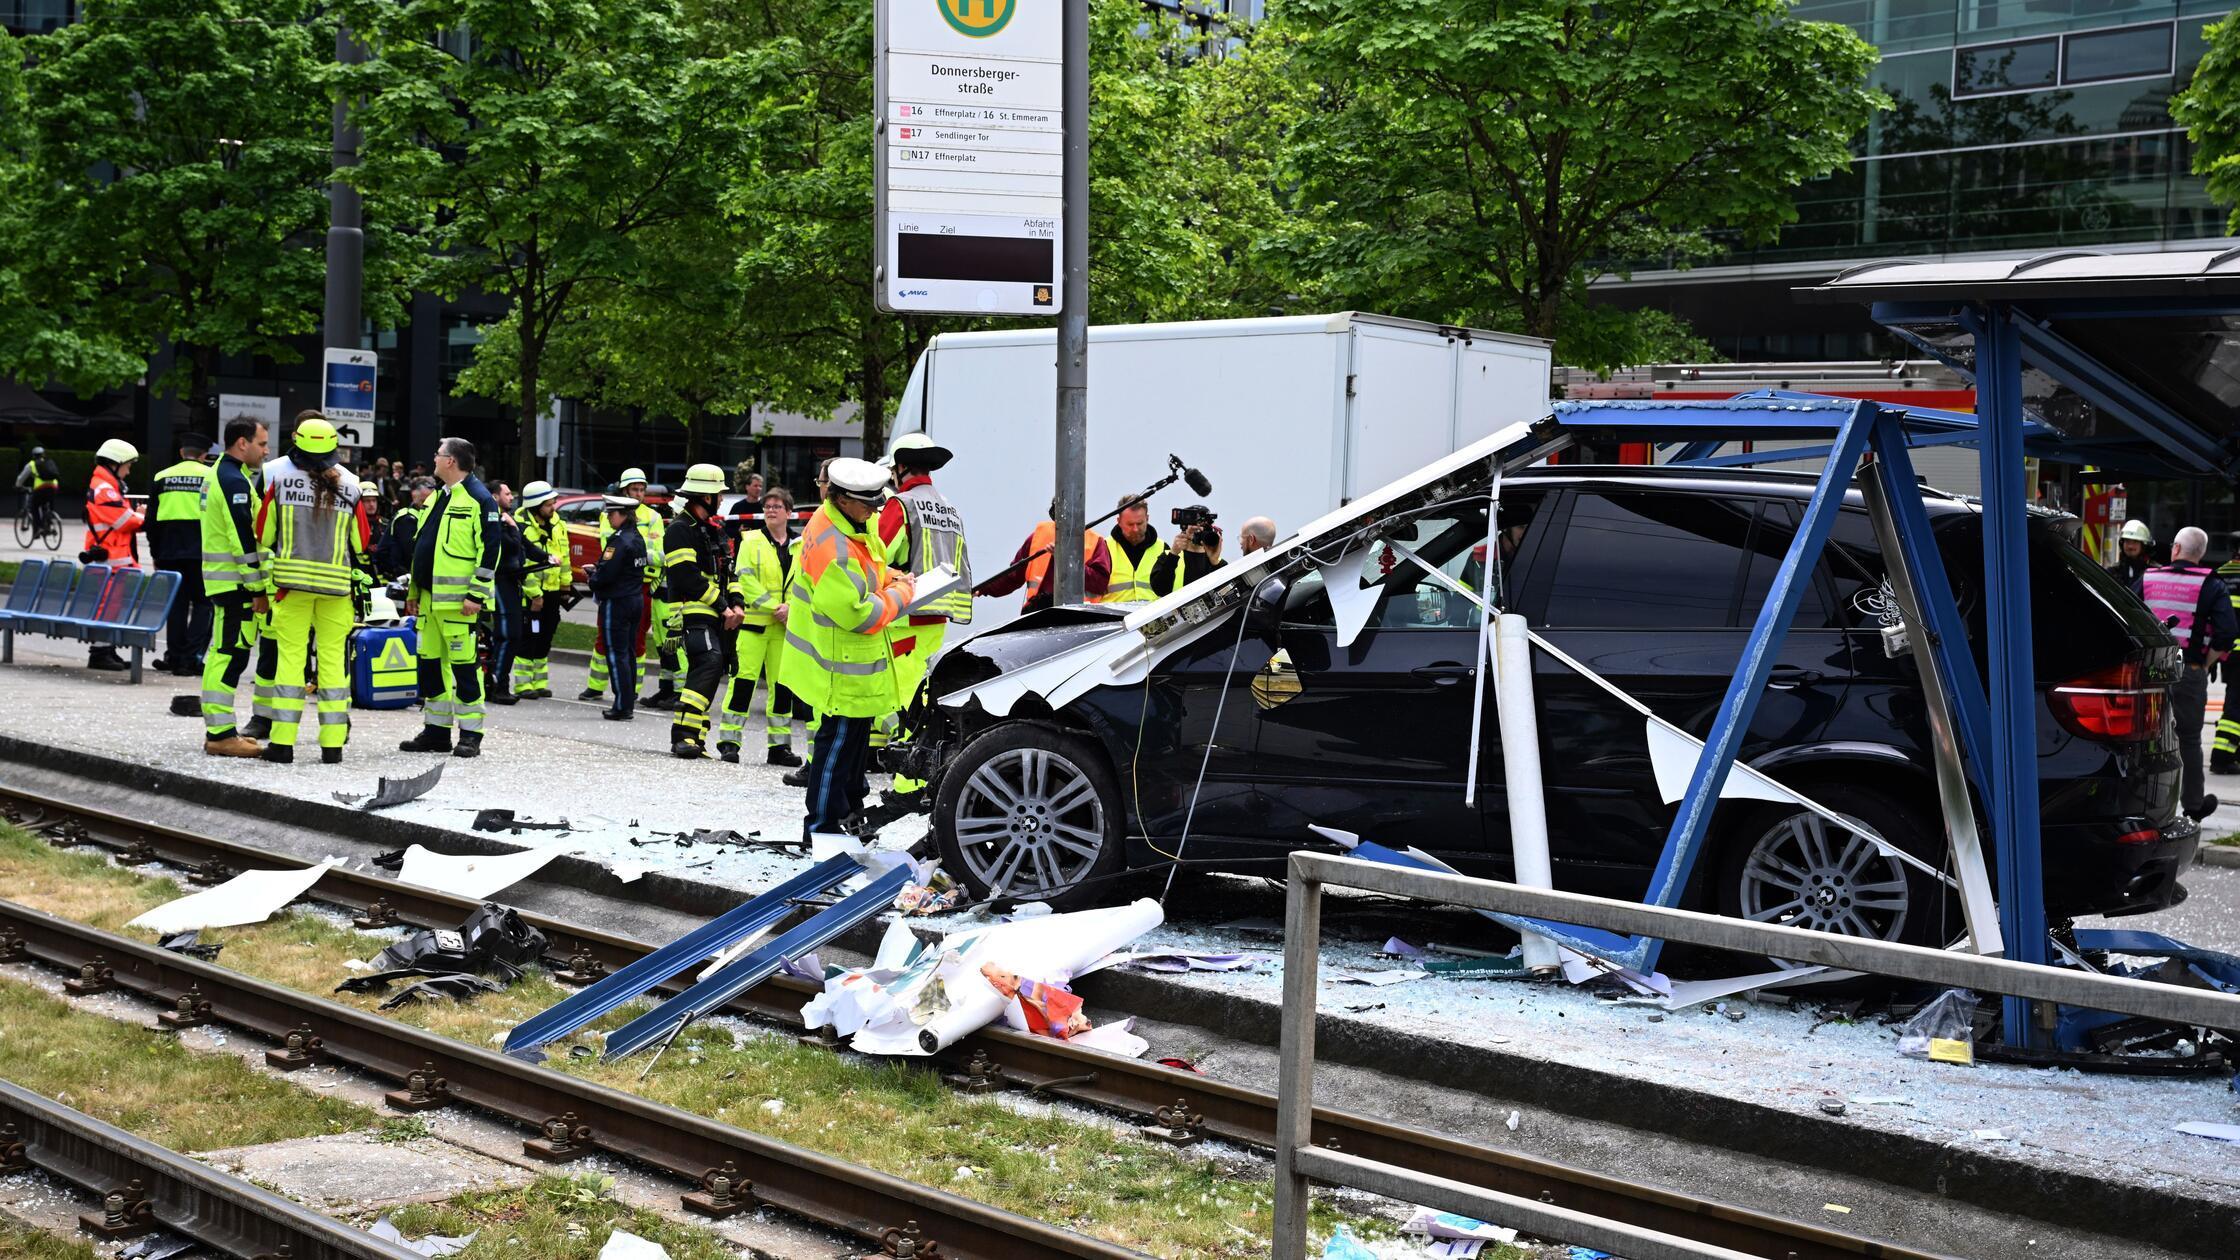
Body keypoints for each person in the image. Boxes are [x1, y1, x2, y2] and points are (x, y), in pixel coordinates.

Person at [782, 458, 917, 843]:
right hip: (838, 665)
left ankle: (846, 819)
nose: (876, 509)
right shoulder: (834, 546)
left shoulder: (852, 525)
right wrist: (903, 592)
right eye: (869, 503)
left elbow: (873, 569)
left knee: (851, 748)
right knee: (836, 748)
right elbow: (860, 613)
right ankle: (822, 830)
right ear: (842, 499)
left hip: (850, 664)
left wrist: (893, 577)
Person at [253, 417, 369, 764]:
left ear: (297, 445)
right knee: (334, 666)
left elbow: (263, 534)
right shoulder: (352, 487)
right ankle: (332, 747)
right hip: (336, 591)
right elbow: (361, 542)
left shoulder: (279, 482)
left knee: (290, 664)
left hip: (292, 588)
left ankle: (282, 746)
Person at [872, 433, 971, 805]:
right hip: (937, 617)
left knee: (899, 705)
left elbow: (877, 557)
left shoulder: (901, 505)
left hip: (903, 617)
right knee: (923, 700)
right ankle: (919, 782)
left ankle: (908, 787)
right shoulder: (948, 507)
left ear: (899, 467)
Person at [400, 438, 501, 758]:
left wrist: (476, 594)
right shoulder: (438, 497)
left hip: (460, 605)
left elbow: (491, 550)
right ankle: (436, 733)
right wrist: (414, 591)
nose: (433, 458)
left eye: (438, 454)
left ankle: (471, 734)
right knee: (431, 668)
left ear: (451, 462)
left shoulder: (479, 499)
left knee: (465, 670)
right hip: (430, 602)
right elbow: (423, 548)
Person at [2137, 526, 2237, 822]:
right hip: (2188, 672)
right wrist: (2206, 663)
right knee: (2189, 739)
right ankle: (2193, 806)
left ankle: (2140, 802)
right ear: (2201, 554)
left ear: (2176, 549)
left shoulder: (2148, 578)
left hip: (2148, 672)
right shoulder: (2211, 584)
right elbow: (2227, 632)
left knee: (2142, 738)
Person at [659, 463, 742, 758]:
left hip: (720, 614)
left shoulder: (714, 530)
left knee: (712, 668)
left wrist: (737, 605)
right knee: (709, 661)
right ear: (706, 497)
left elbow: (731, 573)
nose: (721, 498)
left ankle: (696, 737)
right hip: (693, 612)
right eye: (718, 493)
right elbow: (686, 577)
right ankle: (682, 735)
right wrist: (722, 605)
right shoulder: (680, 530)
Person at [718, 487, 806, 766]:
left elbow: (805, 581)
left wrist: (791, 607)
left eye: (777, 506)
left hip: (784, 628)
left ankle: (779, 748)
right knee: (743, 684)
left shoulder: (800, 545)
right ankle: (729, 743)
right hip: (755, 626)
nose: (770, 510)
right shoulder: (751, 540)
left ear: (788, 513)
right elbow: (745, 580)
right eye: (767, 506)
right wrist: (775, 607)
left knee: (782, 689)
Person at [199, 418, 270, 757]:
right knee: (229, 655)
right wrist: (258, 588)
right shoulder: (231, 479)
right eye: (261, 443)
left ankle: (220, 730)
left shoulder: (225, 474)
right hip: (236, 584)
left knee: (224, 654)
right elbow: (241, 537)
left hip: (225, 581)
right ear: (242, 443)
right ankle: (221, 734)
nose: (266, 450)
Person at [580, 468, 669, 706]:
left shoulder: (653, 516)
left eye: (642, 489)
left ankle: (632, 690)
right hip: (616, 584)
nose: (639, 494)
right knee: (603, 637)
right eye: (634, 489)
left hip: (643, 585)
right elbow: (608, 548)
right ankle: (595, 686)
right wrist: (640, 554)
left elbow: (661, 555)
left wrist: (635, 556)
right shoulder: (610, 514)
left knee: (637, 640)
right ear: (624, 490)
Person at [149, 434, 216, 676]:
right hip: (201, 552)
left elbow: (151, 521)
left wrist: (155, 552)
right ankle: (192, 658)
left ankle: (175, 656)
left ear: (181, 453)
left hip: (168, 551)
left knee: (176, 605)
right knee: (203, 604)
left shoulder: (161, 476)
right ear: (204, 455)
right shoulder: (211, 476)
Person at [79, 438, 144, 670]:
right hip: (110, 561)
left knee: (112, 606)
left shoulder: (107, 487)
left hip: (112, 560)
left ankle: (107, 649)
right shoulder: (105, 489)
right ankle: (99, 654)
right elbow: (125, 520)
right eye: (127, 465)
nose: (128, 470)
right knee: (106, 606)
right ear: (114, 464)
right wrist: (143, 516)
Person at [977, 499, 1110, 612]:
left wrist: (1066, 559)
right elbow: (1012, 576)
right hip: (1037, 614)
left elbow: (1100, 584)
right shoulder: (1038, 537)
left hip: (1077, 618)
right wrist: (982, 589)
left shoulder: (1095, 541)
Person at [588, 495, 651, 721]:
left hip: (617, 602)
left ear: (622, 514)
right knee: (629, 652)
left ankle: (622, 705)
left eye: (611, 513)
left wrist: (592, 577)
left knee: (616, 653)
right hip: (635, 599)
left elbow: (606, 574)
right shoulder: (637, 538)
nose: (608, 517)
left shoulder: (619, 540)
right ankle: (627, 701)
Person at [512, 481, 569, 699]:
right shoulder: (522, 528)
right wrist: (535, 594)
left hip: (553, 591)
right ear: (536, 506)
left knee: (545, 635)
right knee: (529, 636)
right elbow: (524, 565)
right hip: (532, 593)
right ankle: (523, 685)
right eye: (548, 504)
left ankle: (539, 682)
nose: (553, 507)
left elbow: (564, 558)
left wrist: (565, 586)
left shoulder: (557, 524)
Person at [484, 482, 527, 706]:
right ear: (494, 496)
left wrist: (547, 558)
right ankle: (497, 685)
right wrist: (513, 528)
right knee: (507, 635)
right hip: (499, 583)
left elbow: (524, 546)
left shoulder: (506, 520)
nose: (512, 497)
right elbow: (511, 546)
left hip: (511, 582)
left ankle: (498, 682)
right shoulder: (494, 520)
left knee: (512, 636)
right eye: (507, 493)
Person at [1096, 493, 1166, 605]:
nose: (1135, 529)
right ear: (1118, 521)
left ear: (1147, 519)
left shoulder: (1163, 548)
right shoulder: (1103, 548)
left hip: (1152, 619)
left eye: (1139, 523)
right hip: (1112, 619)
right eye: (1130, 524)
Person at [1149, 504, 1222, 596]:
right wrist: (1173, 554)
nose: (1196, 527)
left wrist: (1215, 563)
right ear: (1184, 526)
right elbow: (1159, 590)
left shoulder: (1218, 562)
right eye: (1192, 522)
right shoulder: (1168, 556)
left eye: (1201, 523)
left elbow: (1228, 595)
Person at [381, 477, 436, 578]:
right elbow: (411, 553)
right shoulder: (407, 519)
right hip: (404, 576)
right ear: (414, 494)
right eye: (426, 501)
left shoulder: (427, 516)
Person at [16, 445, 60, 536]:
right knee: (46, 506)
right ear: (43, 454)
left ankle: (39, 528)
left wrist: (18, 485)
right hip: (54, 487)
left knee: (34, 507)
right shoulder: (49, 462)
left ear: (33, 455)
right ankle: (49, 524)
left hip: (41, 488)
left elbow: (21, 478)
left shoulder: (31, 464)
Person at [2110, 519, 2154, 585]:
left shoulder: (2154, 572)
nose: (2130, 546)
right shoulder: (2113, 571)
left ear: (2144, 545)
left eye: (2135, 541)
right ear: (2122, 544)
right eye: (2127, 541)